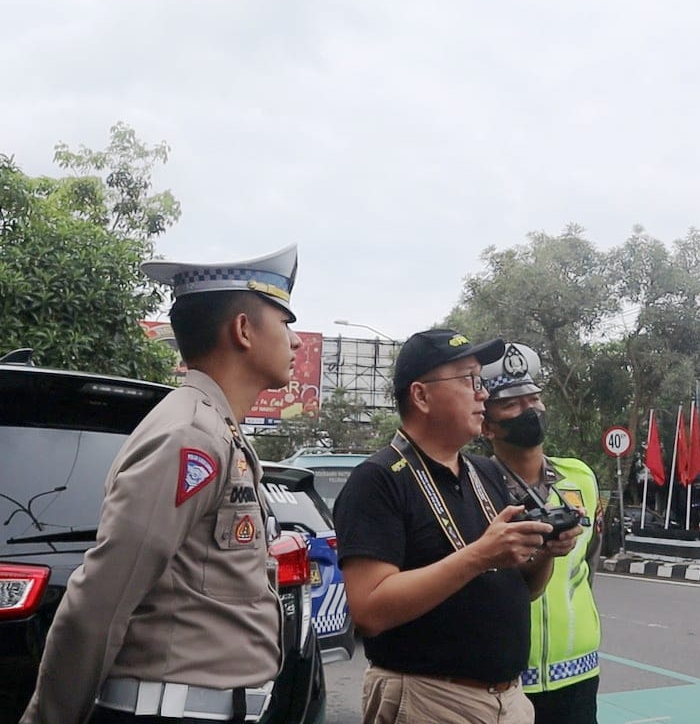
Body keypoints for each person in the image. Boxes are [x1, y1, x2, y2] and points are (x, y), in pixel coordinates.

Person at [22, 245, 303, 724]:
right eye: (284, 322)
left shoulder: (216, 429)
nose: (296, 342)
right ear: (243, 330)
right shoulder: (189, 435)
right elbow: (102, 598)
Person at [332, 329, 582, 724]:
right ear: (421, 396)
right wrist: (479, 556)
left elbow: (524, 590)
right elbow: (369, 610)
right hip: (427, 698)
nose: (482, 393)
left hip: (509, 700)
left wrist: (542, 554)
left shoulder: (485, 472)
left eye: (479, 381)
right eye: (468, 380)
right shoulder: (378, 480)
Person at [479, 343, 602, 724]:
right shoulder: (476, 485)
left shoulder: (580, 477)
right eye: (512, 405)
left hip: (579, 671)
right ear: (486, 425)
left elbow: (589, 564)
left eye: (533, 398)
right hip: (506, 681)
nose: (529, 410)